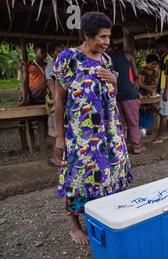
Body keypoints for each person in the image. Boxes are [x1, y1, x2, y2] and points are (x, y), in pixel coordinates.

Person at [53, 12, 132, 245]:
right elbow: (58, 101)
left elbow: (111, 96)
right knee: (79, 175)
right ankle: (74, 225)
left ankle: (104, 216)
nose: (107, 41)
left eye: (109, 36)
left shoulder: (106, 60)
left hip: (109, 130)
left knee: (110, 171)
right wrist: (59, 136)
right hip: (82, 133)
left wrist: (114, 81)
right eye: (102, 37)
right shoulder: (68, 59)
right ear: (87, 35)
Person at [110, 41, 144, 154]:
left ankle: (121, 147)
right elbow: (136, 75)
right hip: (130, 93)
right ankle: (136, 146)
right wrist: (136, 88)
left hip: (115, 93)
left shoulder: (107, 57)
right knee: (133, 121)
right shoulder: (128, 55)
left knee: (120, 122)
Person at [45, 43, 64, 167]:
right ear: (52, 53)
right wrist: (59, 102)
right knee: (55, 132)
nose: (60, 52)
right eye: (58, 50)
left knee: (58, 131)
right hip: (54, 105)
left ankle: (59, 156)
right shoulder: (51, 66)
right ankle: (55, 157)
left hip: (58, 104)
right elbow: (54, 92)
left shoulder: (59, 64)